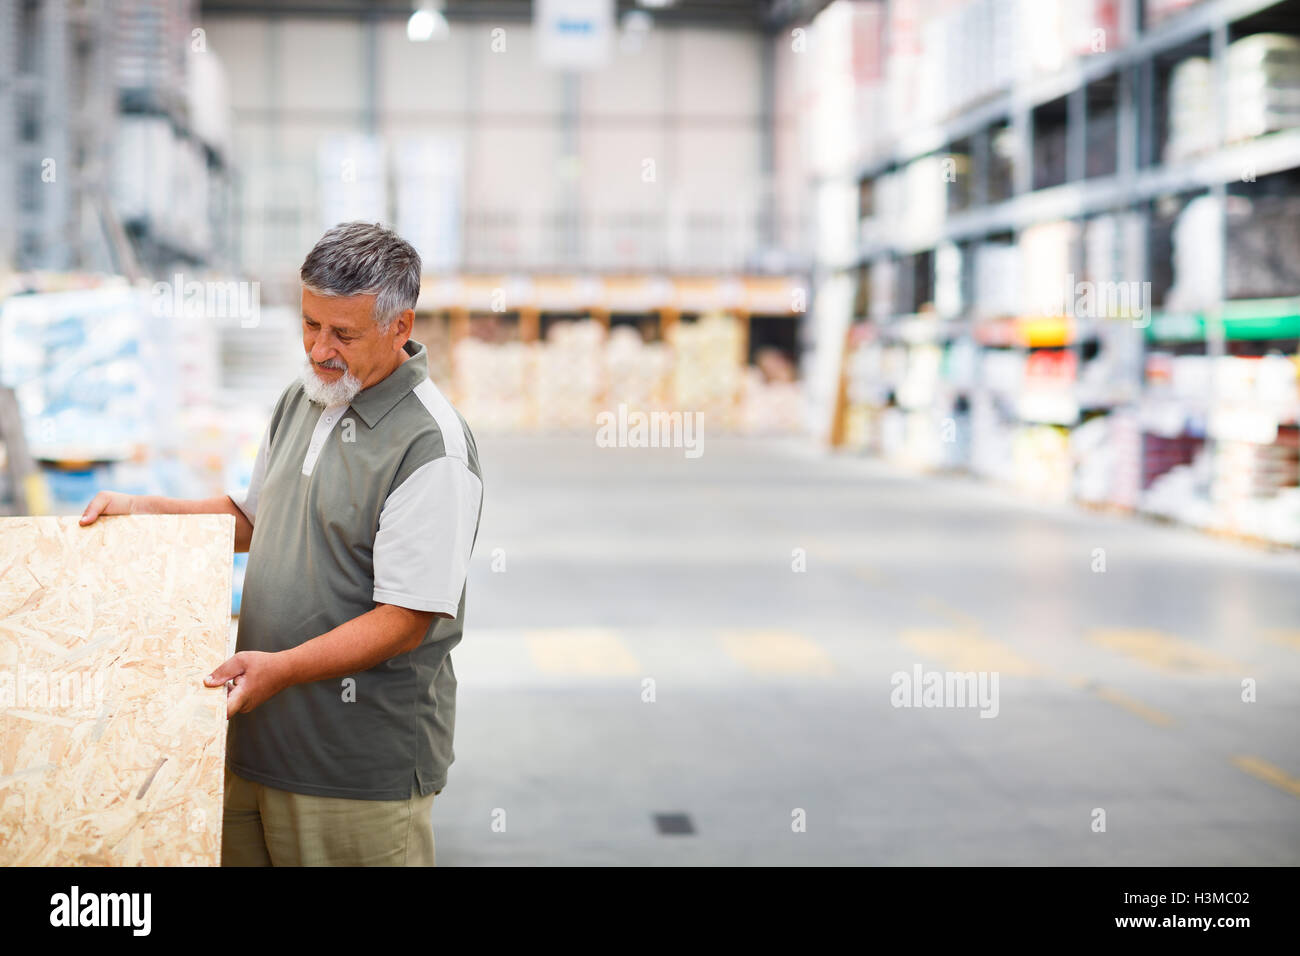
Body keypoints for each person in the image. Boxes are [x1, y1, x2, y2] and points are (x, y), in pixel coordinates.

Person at [80, 221, 484, 866]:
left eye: (343, 334)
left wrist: (282, 668)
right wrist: (147, 509)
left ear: (400, 326)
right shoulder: (305, 397)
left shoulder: (429, 445)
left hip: (351, 769)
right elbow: (256, 518)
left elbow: (408, 620)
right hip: (255, 740)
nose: (320, 349)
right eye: (309, 325)